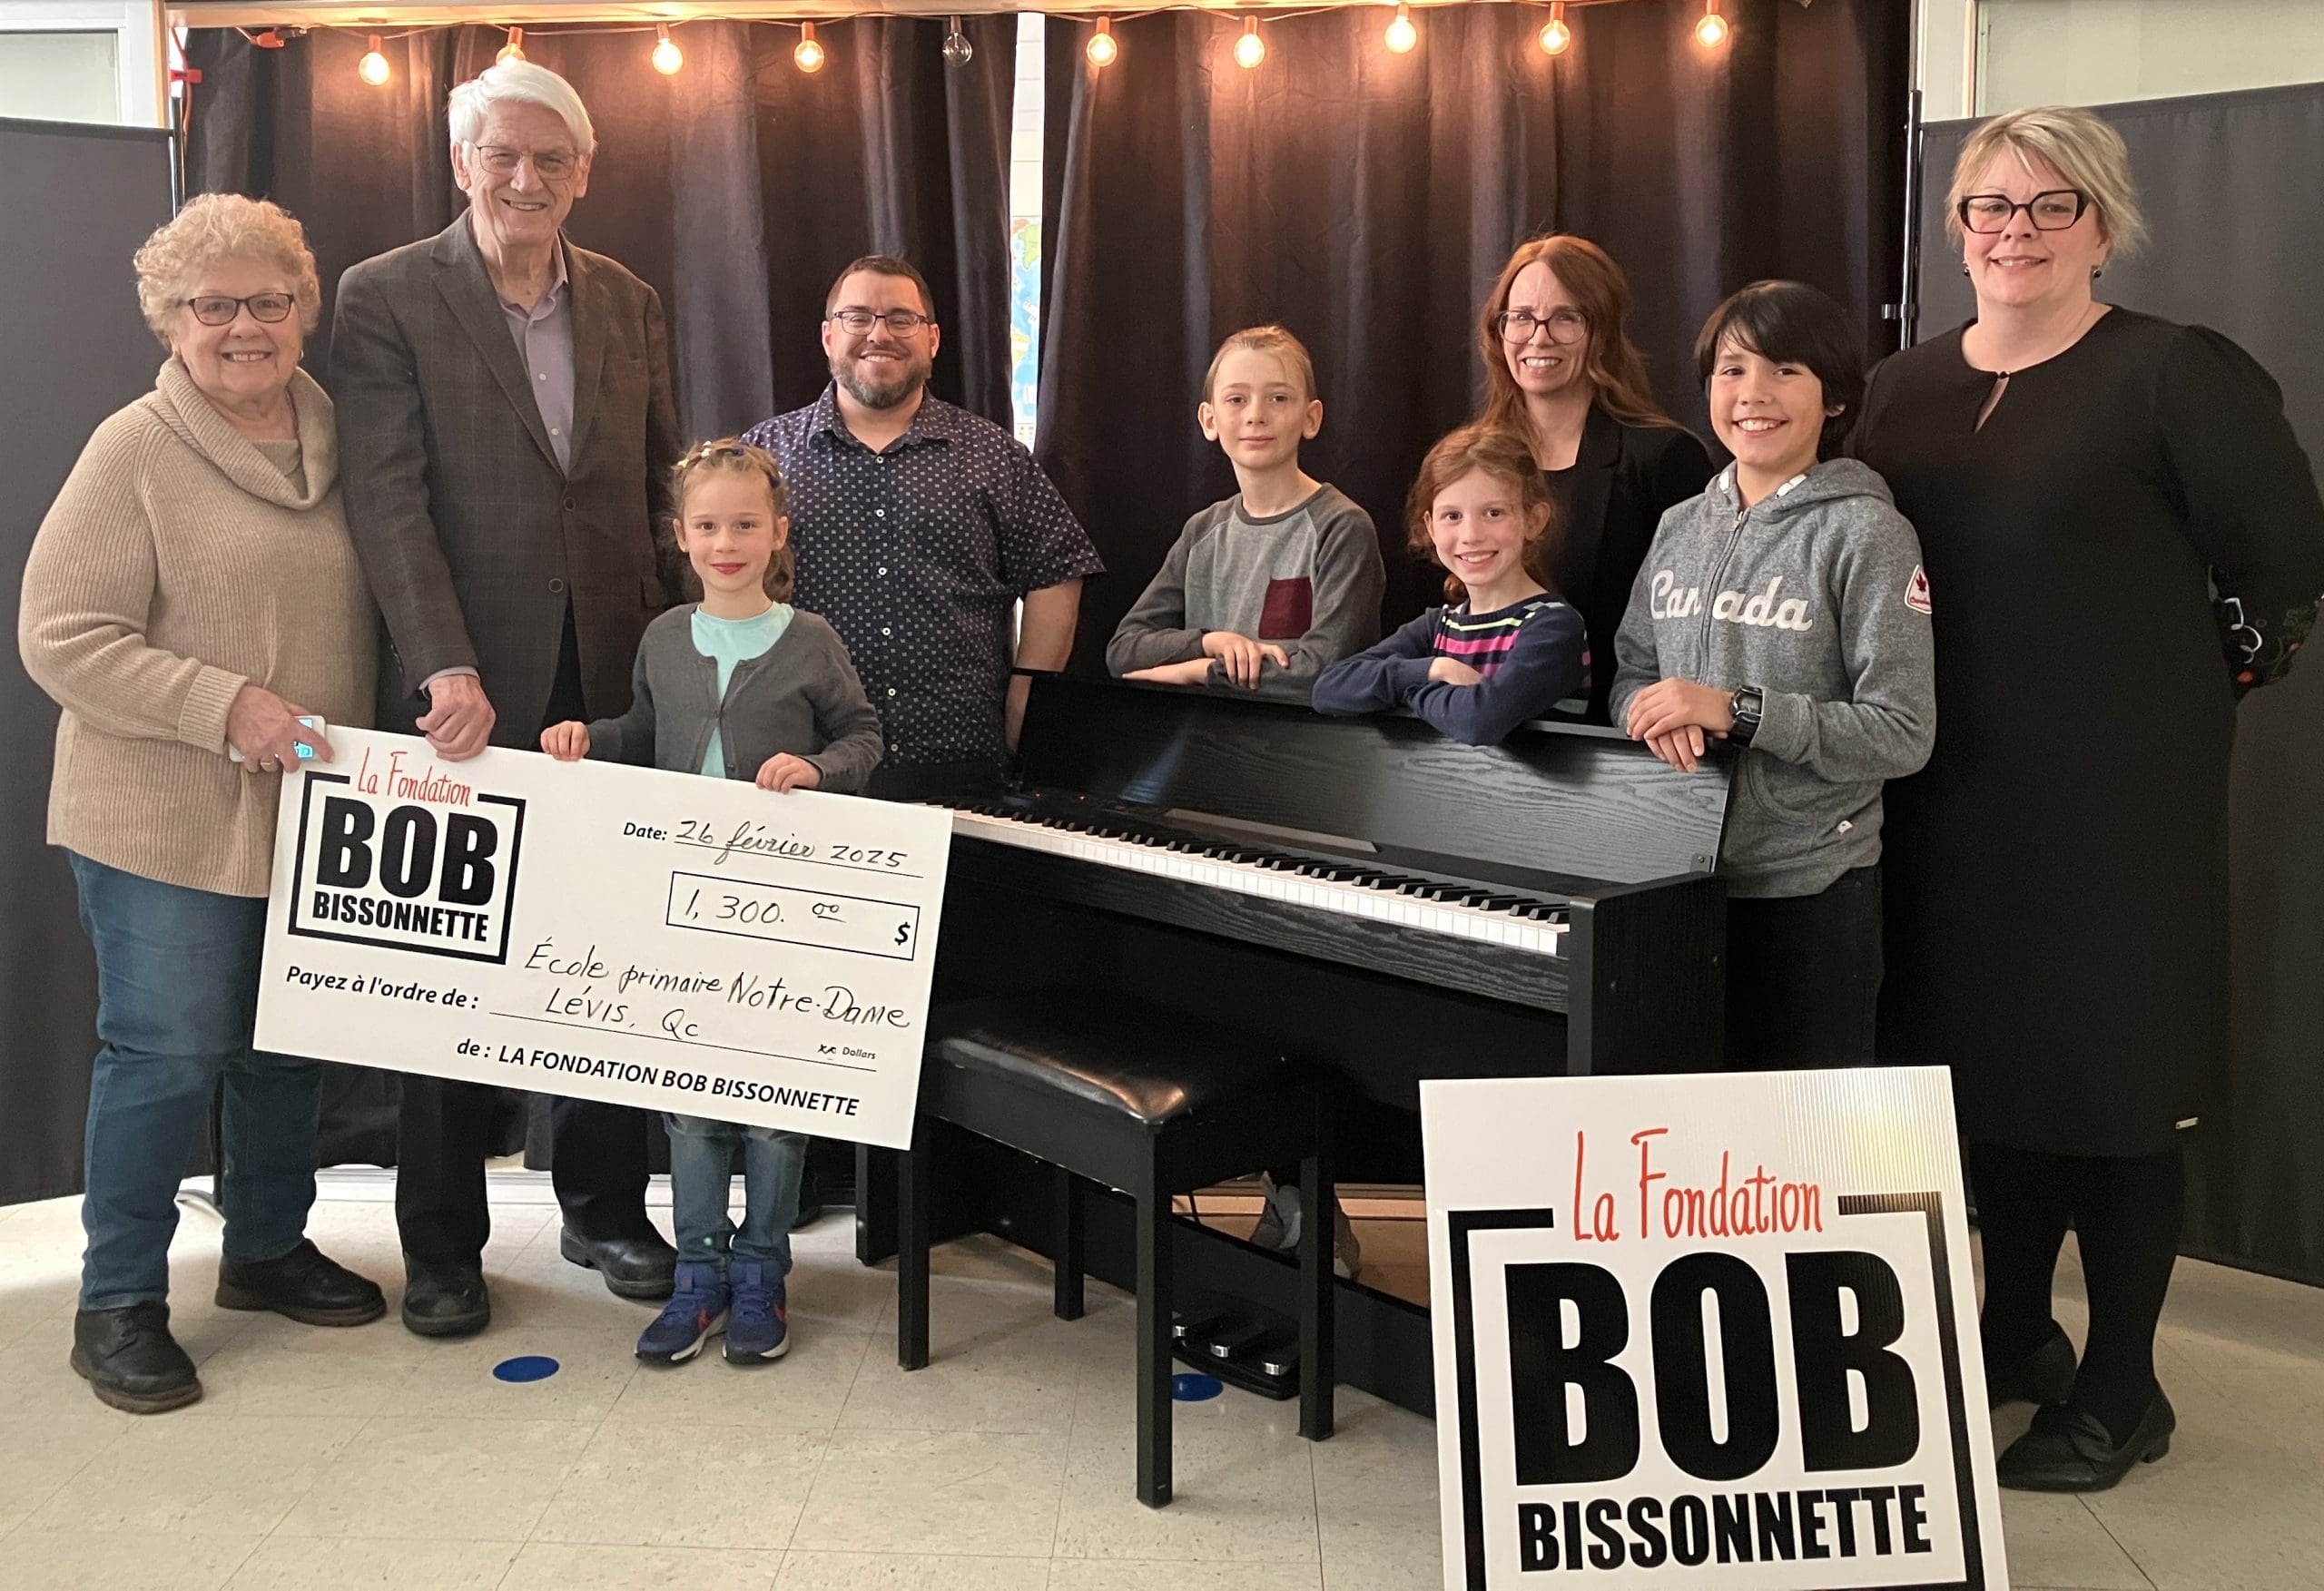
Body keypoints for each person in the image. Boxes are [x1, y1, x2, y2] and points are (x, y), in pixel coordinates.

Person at [1854, 106, 2324, 1490]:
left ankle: (2126, 1385)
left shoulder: (2174, 372)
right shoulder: (1900, 388)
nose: (2013, 231)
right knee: (1986, 1081)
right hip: (1948, 796)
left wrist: (2183, 694)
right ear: (1956, 229)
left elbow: (2287, 565)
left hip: (2122, 809)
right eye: (1988, 207)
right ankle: (2012, 1339)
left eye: (2048, 207)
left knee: (2118, 1095)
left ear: (2102, 224)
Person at [332, 59, 686, 1336]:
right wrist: (443, 661)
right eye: (504, 157)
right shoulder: (382, 297)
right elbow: (386, 496)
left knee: (602, 957)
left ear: (585, 173)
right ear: (462, 163)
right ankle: (441, 1244)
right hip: (459, 690)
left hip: (610, 676)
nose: (526, 180)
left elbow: (659, 481)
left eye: (552, 160)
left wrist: (685, 654)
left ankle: (599, 1204)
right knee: (450, 976)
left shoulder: (633, 301)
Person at [18, 194, 384, 1412]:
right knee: (167, 1056)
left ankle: (265, 1249)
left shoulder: (348, 436)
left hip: (313, 821)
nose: (244, 326)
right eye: (212, 304)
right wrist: (222, 701)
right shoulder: (133, 448)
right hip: (162, 820)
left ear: (303, 307)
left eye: (268, 300)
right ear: (170, 319)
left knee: (286, 1052)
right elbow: (59, 635)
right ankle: (115, 1302)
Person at [542, 439, 882, 1366]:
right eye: (706, 526)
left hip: (781, 907)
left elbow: (862, 734)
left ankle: (762, 1270)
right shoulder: (663, 637)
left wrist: (817, 769)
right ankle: (698, 1273)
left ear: (776, 533)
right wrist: (590, 736)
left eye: (744, 524)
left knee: (773, 1105)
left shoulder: (812, 638)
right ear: (680, 538)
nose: (725, 541)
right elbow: (645, 728)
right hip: (680, 910)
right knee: (689, 1106)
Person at [1610, 280, 1935, 1068]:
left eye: (1785, 370)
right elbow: (1630, 672)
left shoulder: (1868, 532)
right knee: (1691, 1156)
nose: (1753, 394)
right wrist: (1651, 712)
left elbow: (1903, 733)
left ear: (1832, 399)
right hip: (1674, 891)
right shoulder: (1678, 526)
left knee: (1799, 1162)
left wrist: (1737, 710)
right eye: (1731, 371)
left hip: (1812, 895)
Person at [741, 255, 1104, 802]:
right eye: (857, 317)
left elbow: (1057, 570)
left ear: (932, 339)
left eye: (901, 319)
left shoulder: (994, 455)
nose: (878, 334)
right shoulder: (766, 455)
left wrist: (1026, 699)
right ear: (827, 336)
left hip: (959, 764)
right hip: (803, 765)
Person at [1476, 235, 1717, 723]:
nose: (1538, 337)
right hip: (1481, 731)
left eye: (1566, 318)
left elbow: (1693, 632)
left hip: (1615, 741)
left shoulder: (1665, 459)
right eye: (1520, 317)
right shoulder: (1471, 461)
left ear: (1602, 332)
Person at [1107, 325, 1384, 693]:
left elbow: (1323, 671)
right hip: (1203, 744)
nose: (1256, 415)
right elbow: (1124, 650)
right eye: (1237, 399)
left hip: (1310, 747)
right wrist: (1209, 643)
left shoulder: (1342, 528)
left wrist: (1201, 672)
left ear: (1311, 418)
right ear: (1209, 420)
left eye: (1278, 398)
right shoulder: (1201, 531)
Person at [1314, 424, 1589, 745]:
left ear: (1534, 520)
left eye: (1493, 512)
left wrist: (1410, 691)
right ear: (1430, 527)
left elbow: (1479, 720)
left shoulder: (1554, 626)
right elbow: (1329, 689)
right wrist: (1434, 669)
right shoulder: (1439, 627)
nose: (1471, 535)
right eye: (1452, 516)